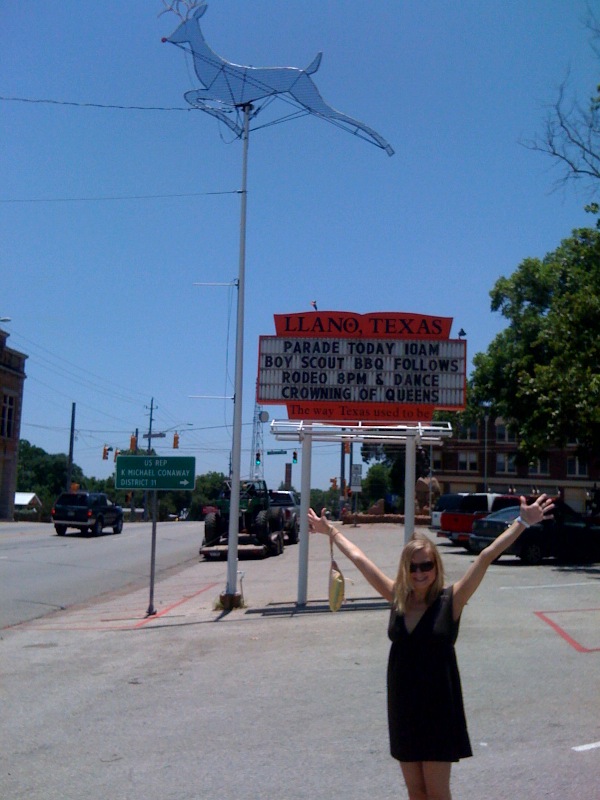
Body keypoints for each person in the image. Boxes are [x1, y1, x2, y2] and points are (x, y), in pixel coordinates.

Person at [307, 494, 555, 800]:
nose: (420, 572)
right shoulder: (396, 597)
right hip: (403, 707)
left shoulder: (452, 600)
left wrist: (522, 522)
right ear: (405, 570)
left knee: (437, 792)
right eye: (412, 567)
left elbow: (485, 556)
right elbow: (360, 559)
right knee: (416, 791)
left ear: (436, 566)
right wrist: (330, 531)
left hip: (439, 709)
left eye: (426, 565)